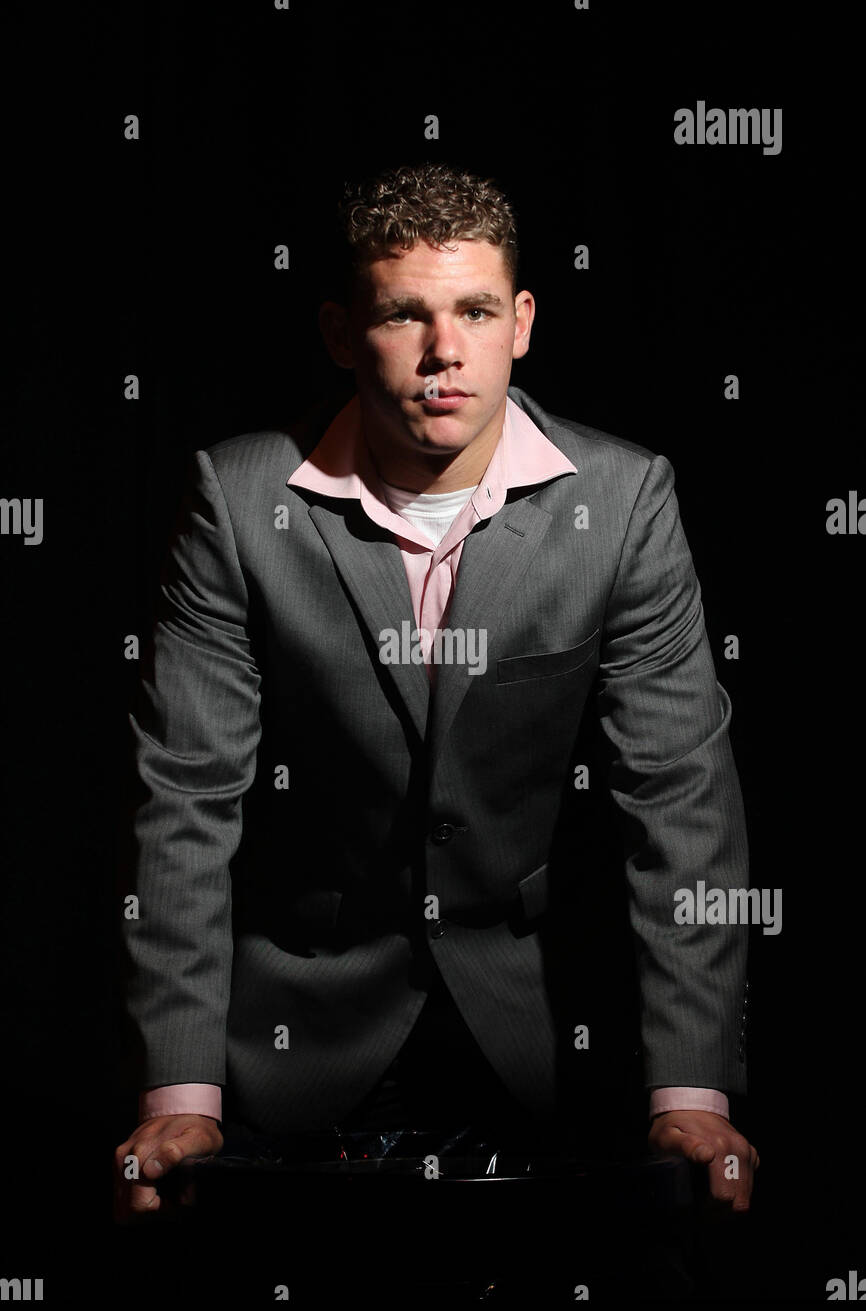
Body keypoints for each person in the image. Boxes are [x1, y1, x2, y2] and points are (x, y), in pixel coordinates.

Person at [114, 161, 759, 1219]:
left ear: (523, 321)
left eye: (472, 310)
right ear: (338, 333)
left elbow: (680, 801)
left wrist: (688, 1087)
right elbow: (185, 802)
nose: (443, 352)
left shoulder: (624, 500)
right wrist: (179, 1091)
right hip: (292, 1040)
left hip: (557, 1039)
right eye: (403, 314)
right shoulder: (235, 504)